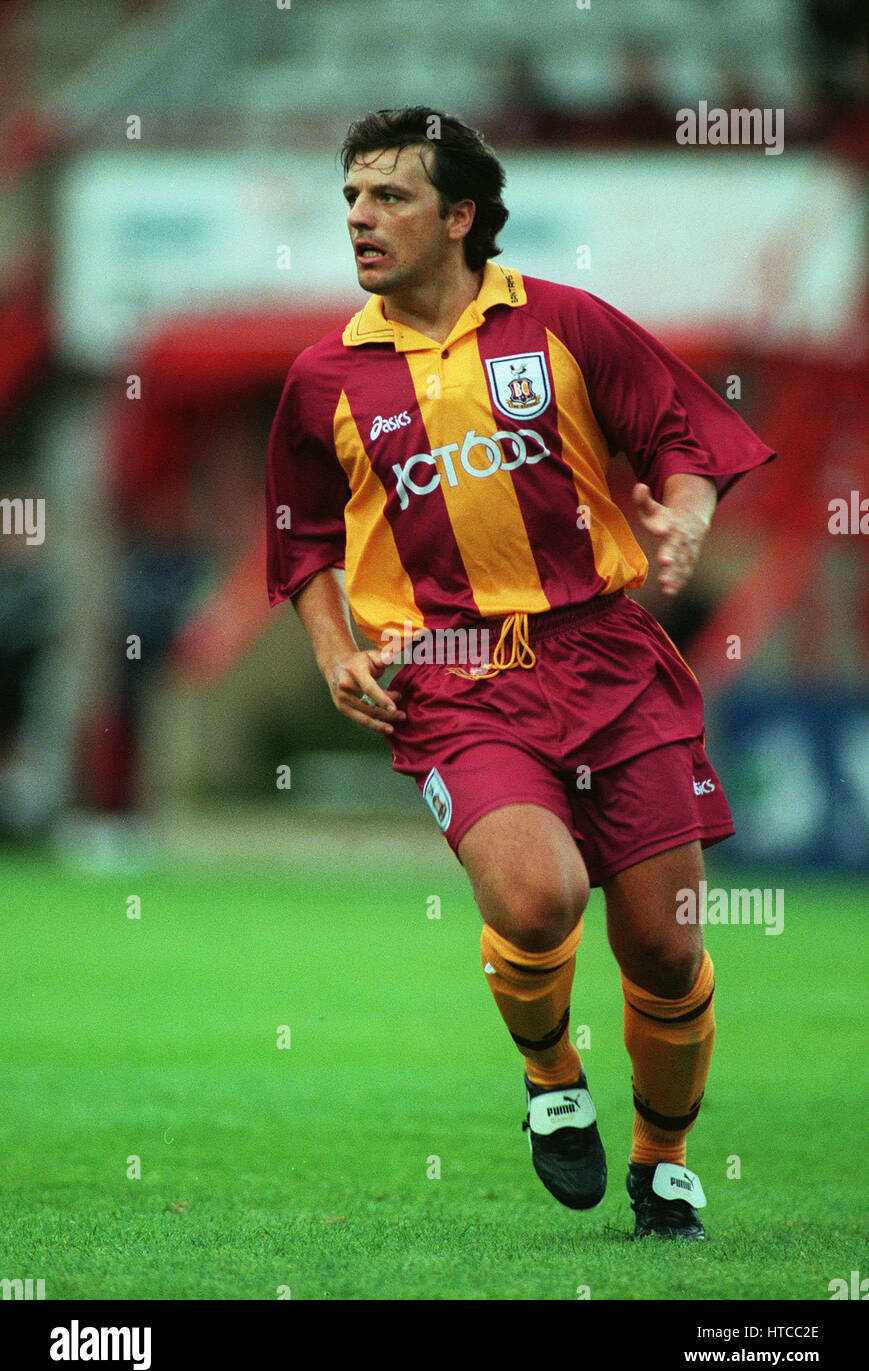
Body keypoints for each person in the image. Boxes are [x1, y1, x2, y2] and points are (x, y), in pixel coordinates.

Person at [265, 107, 774, 1241]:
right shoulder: (323, 377)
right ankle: (550, 1074)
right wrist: (336, 649)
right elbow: (299, 537)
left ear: (458, 217)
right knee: (536, 898)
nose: (357, 216)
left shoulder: (564, 324)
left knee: (665, 943)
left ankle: (664, 1162)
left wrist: (683, 523)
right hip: (452, 674)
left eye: (387, 196)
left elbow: (686, 438)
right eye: (348, 196)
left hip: (604, 654)